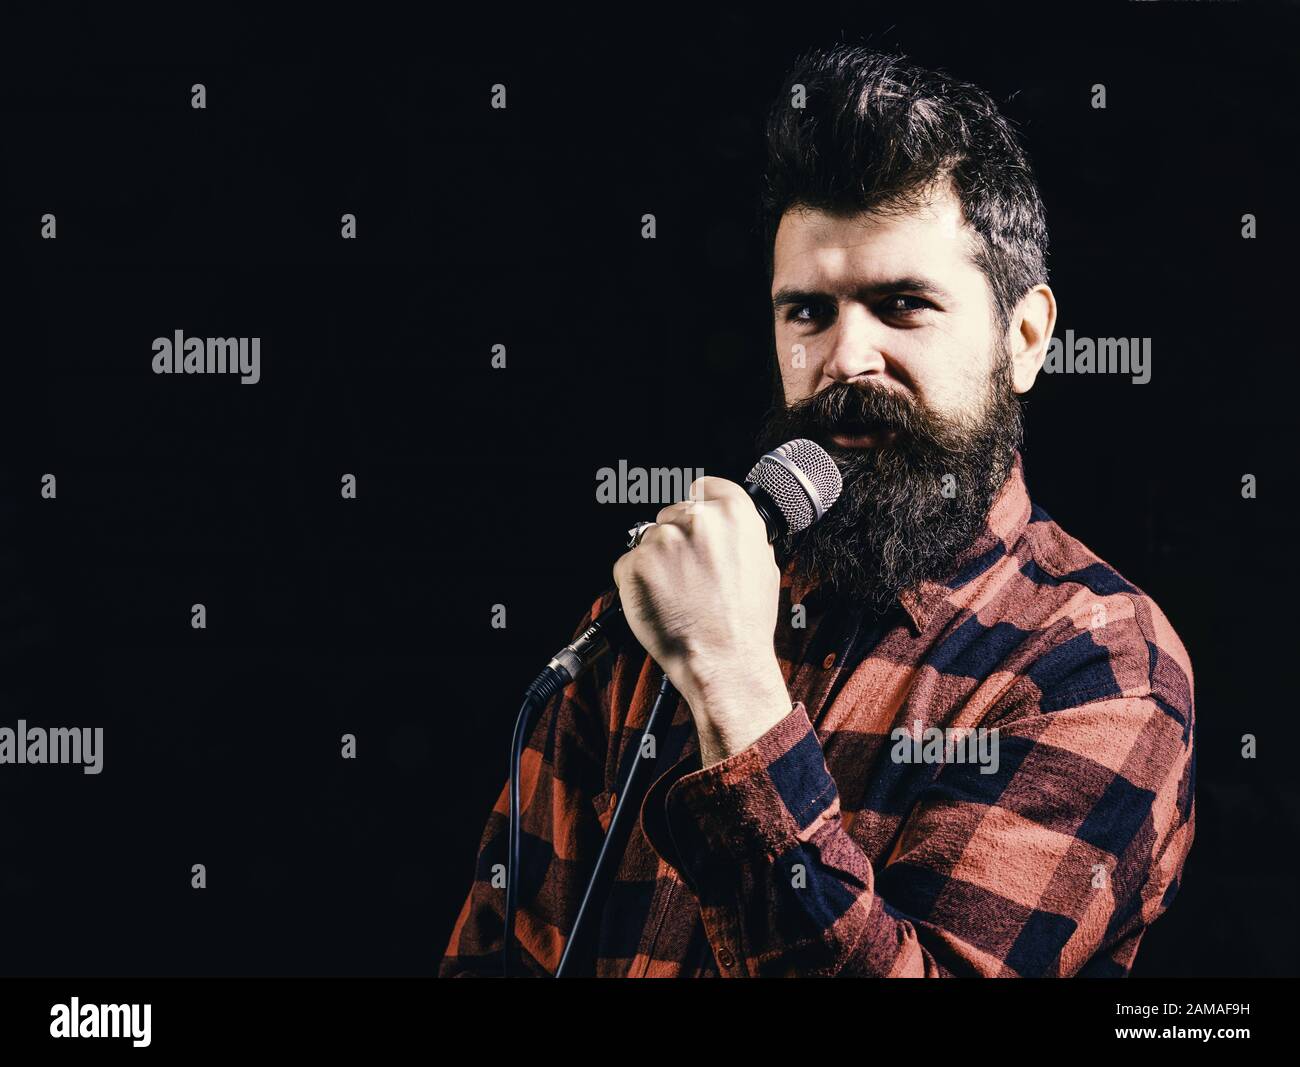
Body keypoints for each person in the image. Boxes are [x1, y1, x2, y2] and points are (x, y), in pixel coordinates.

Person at [440, 44, 1195, 978]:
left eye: (903, 305)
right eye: (807, 312)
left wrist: (734, 689)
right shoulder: (662, 612)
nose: (846, 358)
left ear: (1026, 337)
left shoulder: (1097, 663)